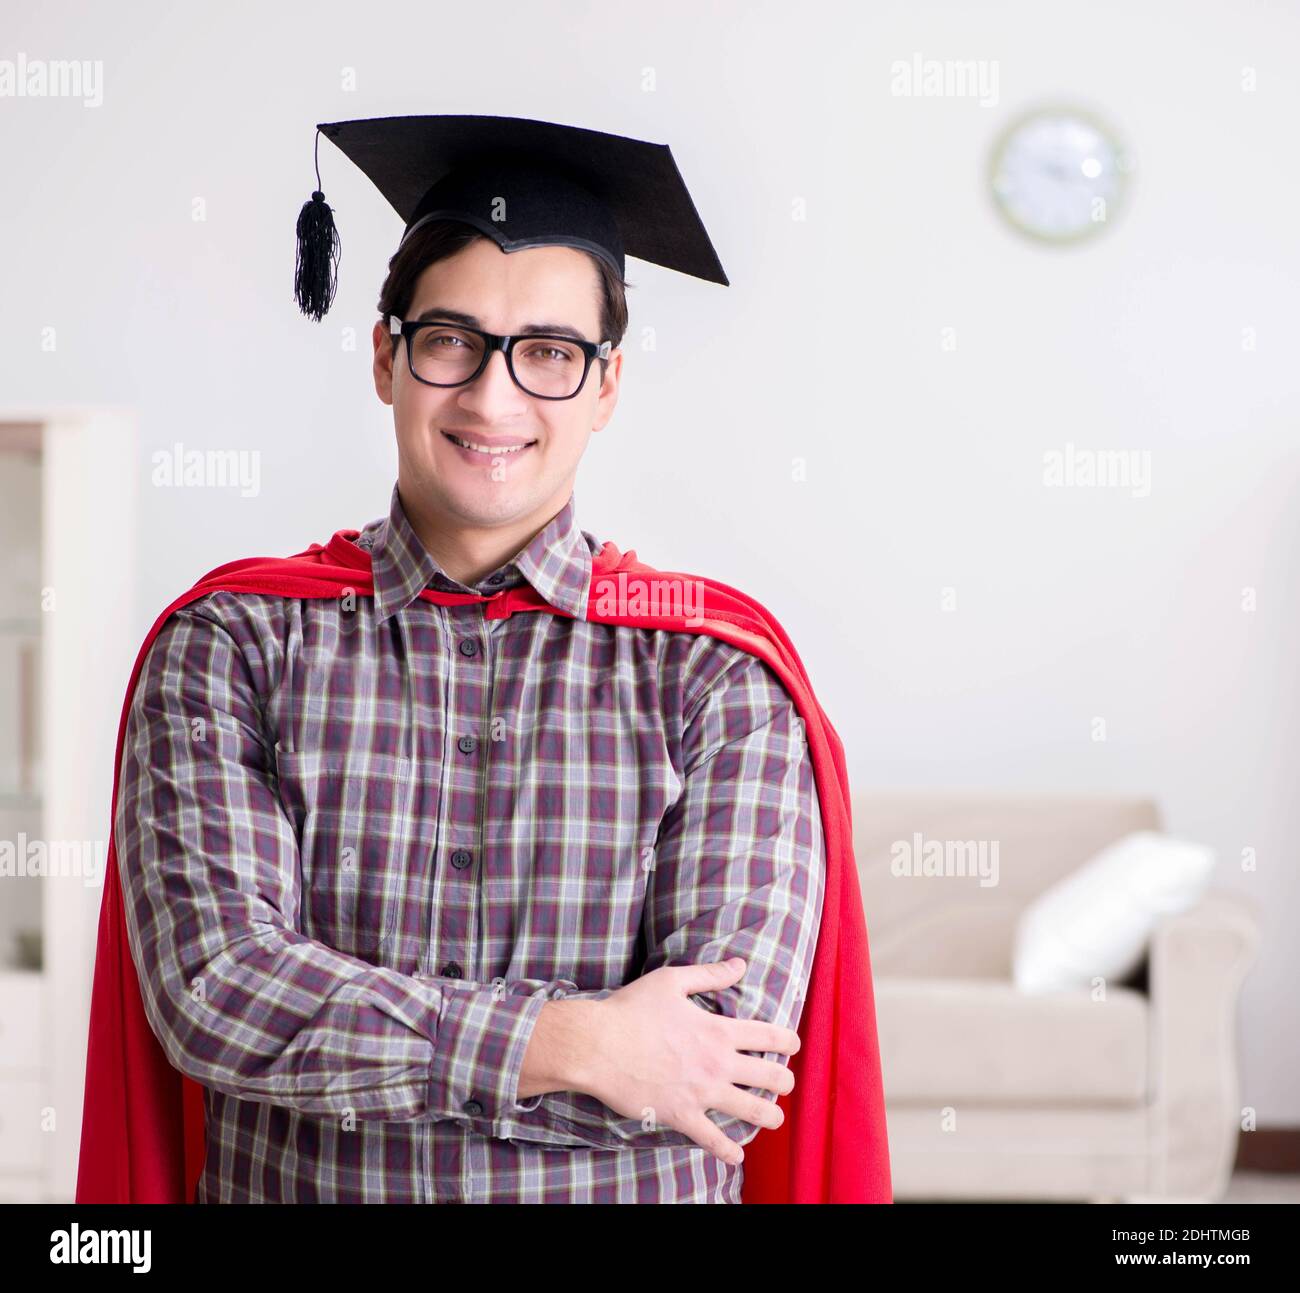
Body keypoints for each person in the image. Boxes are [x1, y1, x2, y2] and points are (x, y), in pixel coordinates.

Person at [76, 115, 890, 1204]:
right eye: (451, 340)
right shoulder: (231, 644)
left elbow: (720, 1062)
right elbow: (218, 994)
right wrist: (576, 1043)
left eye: (549, 353)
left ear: (605, 388)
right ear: (386, 357)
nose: (493, 399)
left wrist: (359, 1053)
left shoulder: (720, 678)